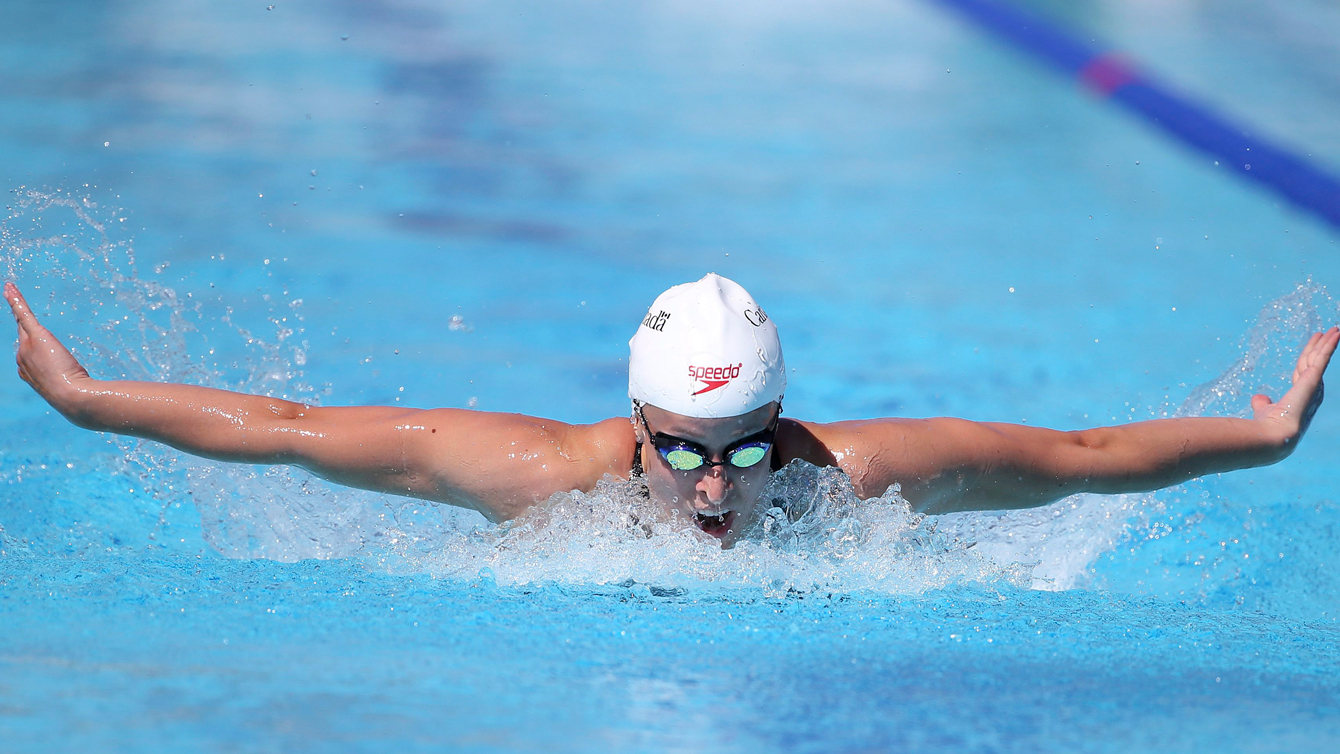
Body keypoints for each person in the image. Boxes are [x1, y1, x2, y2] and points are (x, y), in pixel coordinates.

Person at [6, 275, 1337, 547]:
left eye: (748, 451)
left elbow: (1082, 457)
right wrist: (84, 398)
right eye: (683, 455)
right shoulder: (538, 477)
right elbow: (289, 424)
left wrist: (1268, 434)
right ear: (631, 428)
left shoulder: (846, 478)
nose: (717, 491)